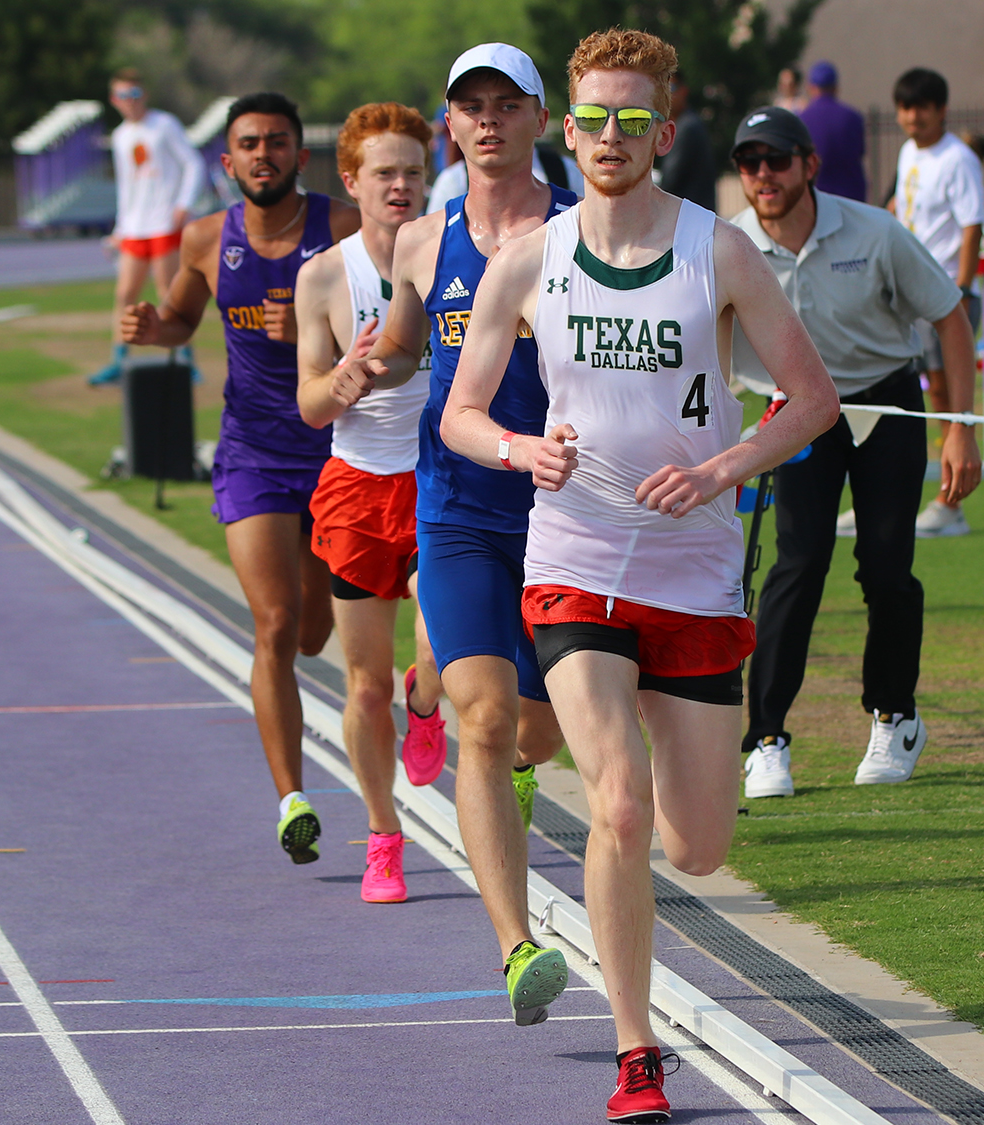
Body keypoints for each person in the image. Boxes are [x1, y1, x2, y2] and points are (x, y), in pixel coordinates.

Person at [440, 32, 837, 1122]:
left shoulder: (721, 252)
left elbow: (809, 400)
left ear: (663, 131)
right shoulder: (529, 259)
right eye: (591, 119)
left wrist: (718, 469)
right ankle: (635, 1053)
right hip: (570, 564)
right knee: (613, 805)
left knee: (695, 848)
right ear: (564, 132)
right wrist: (524, 452)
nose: (609, 138)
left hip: (694, 576)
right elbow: (460, 413)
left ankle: (658, 847)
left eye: (631, 119)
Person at [330, 42, 573, 1029]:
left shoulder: (582, 232)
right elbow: (399, 344)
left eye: (504, 104)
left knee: (538, 733)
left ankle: (449, 710)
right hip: (460, 509)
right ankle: (516, 947)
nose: (486, 121)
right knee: (484, 724)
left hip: (564, 513)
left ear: (539, 119)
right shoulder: (423, 243)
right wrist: (357, 373)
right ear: (450, 126)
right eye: (468, 106)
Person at [122, 92, 360, 862]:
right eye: (250, 144)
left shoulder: (342, 229)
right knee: (276, 626)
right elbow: (182, 318)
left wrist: (327, 328)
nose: (264, 154)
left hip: (332, 454)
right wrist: (152, 328)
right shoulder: (204, 239)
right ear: (228, 162)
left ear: (300, 154)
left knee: (319, 631)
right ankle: (291, 796)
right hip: (252, 452)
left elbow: (396, 309)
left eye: (278, 142)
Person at [729, 106, 978, 802]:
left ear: (809, 164)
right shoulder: (730, 246)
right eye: (749, 163)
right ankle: (768, 736)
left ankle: (895, 715)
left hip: (884, 405)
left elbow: (950, 316)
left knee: (887, 567)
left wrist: (960, 428)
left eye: (776, 159)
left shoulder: (874, 231)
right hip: (795, 413)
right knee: (798, 563)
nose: (763, 175)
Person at [293, 102, 448, 905]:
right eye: (384, 173)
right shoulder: (324, 276)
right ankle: (383, 836)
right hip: (357, 487)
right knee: (362, 685)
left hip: (438, 477)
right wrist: (343, 379)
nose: (400, 186)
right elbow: (311, 404)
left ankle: (427, 704)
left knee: (440, 641)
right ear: (351, 180)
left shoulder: (452, 254)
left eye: (413, 173)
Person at [889, 67, 984, 540]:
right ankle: (913, 490)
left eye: (920, 108)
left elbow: (972, 226)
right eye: (904, 108)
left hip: (944, 292)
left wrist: (962, 292)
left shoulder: (958, 159)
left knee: (950, 399)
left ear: (941, 109)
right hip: (906, 293)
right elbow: (898, 211)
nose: (911, 118)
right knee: (922, 395)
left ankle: (953, 504)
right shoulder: (909, 151)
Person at [91, 70, 205, 385]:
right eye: (123, 96)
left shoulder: (164, 125)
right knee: (125, 293)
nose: (130, 102)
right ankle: (119, 359)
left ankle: (184, 360)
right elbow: (126, 187)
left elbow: (192, 163)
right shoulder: (120, 136)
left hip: (164, 223)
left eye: (135, 95)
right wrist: (120, 226)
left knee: (168, 294)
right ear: (114, 101)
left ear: (145, 95)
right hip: (135, 227)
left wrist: (184, 204)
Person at [426, 119, 583, 210]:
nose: (489, 119)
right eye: (473, 108)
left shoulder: (566, 171)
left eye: (509, 106)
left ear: (540, 119)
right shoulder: (453, 181)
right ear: (451, 125)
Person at [800, 60, 867, 202]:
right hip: (851, 195)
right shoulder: (853, 117)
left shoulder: (801, 119)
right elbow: (860, 152)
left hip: (815, 198)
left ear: (811, 87)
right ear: (835, 87)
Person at [656, 71, 718, 210]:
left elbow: (669, 182)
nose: (666, 95)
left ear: (684, 91)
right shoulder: (688, 124)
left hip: (689, 220)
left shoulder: (687, 128)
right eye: (661, 89)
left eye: (671, 88)